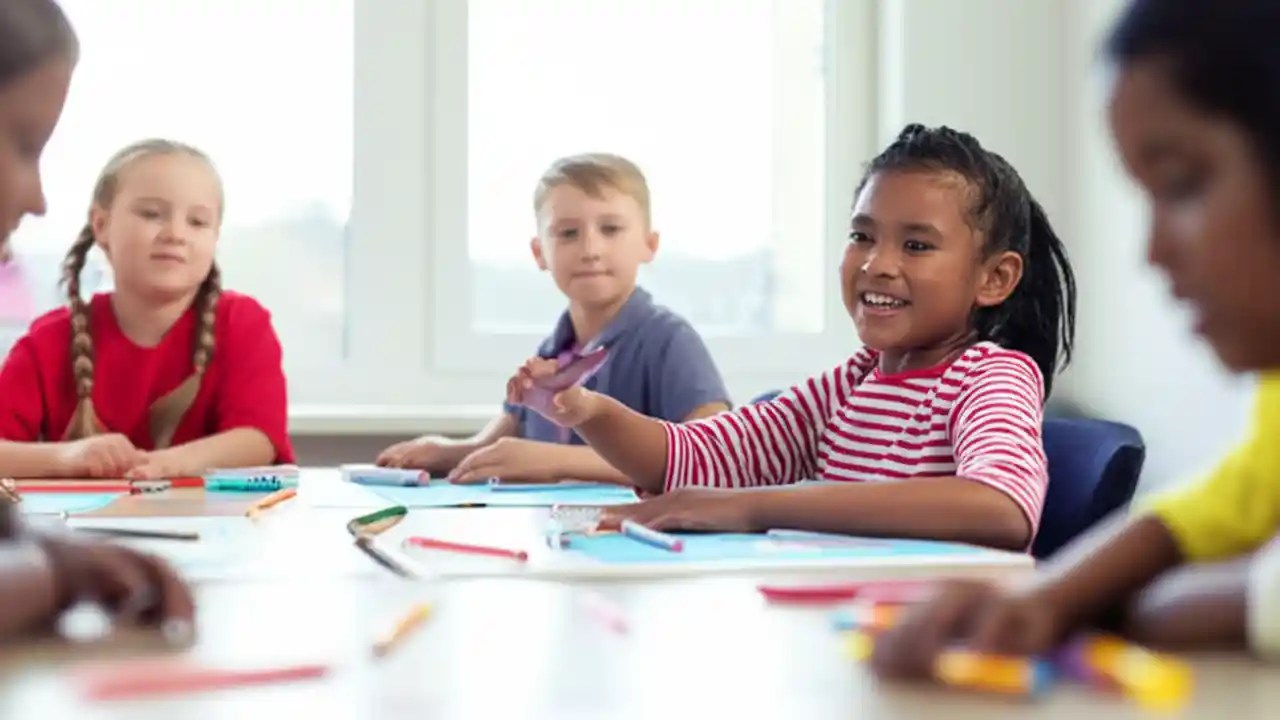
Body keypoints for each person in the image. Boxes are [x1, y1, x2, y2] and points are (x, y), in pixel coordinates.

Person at [871, 0, 1280, 678]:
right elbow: (1222, 502)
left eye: (1182, 185)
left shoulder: (992, 376)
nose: (1152, 253)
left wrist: (1137, 607)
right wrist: (1050, 596)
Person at [507, 125, 1077, 551]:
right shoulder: (850, 384)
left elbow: (1001, 506)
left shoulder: (991, 375)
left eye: (917, 246)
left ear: (994, 278)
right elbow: (691, 457)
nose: (877, 264)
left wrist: (750, 506)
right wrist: (584, 410)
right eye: (862, 236)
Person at [0, 0, 193, 641]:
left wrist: (48, 552)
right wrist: (56, 574)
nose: (38, 197)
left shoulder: (240, 325)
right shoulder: (49, 338)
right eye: (24, 145)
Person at [379, 153, 731, 485]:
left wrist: (554, 460)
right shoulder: (551, 352)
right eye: (567, 234)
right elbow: (497, 440)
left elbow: (711, 456)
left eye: (610, 229)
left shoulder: (669, 341)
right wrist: (444, 452)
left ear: (649, 244)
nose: (590, 250)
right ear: (539, 252)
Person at [0, 139, 295, 479]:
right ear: (101, 225)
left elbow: (257, 440)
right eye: (152, 214)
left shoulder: (243, 323)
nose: (175, 234)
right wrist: (68, 457)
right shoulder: (47, 342)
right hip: (82, 532)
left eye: (197, 222)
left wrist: (165, 466)